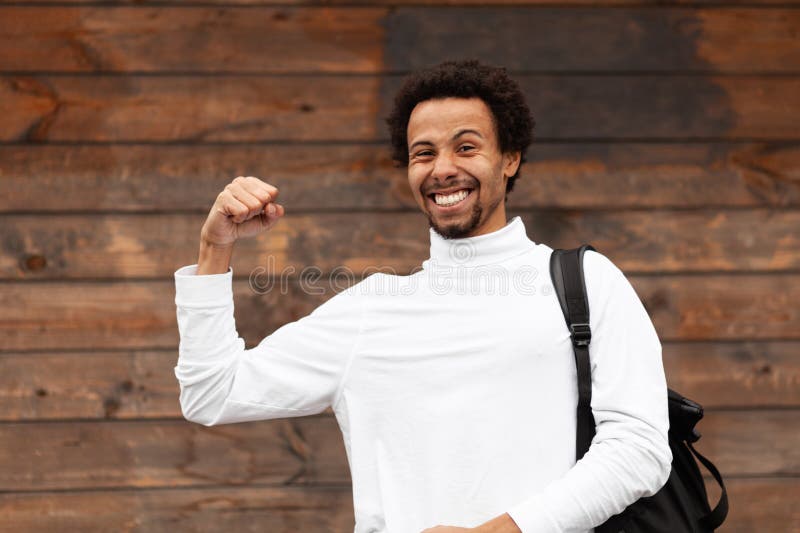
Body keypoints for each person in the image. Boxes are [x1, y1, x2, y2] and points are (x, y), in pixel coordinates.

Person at [173, 59, 671, 533]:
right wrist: (215, 248)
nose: (442, 169)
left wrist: (503, 530)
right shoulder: (373, 309)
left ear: (511, 158)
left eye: (467, 147)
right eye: (424, 153)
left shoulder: (585, 283)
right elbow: (211, 394)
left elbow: (640, 448)